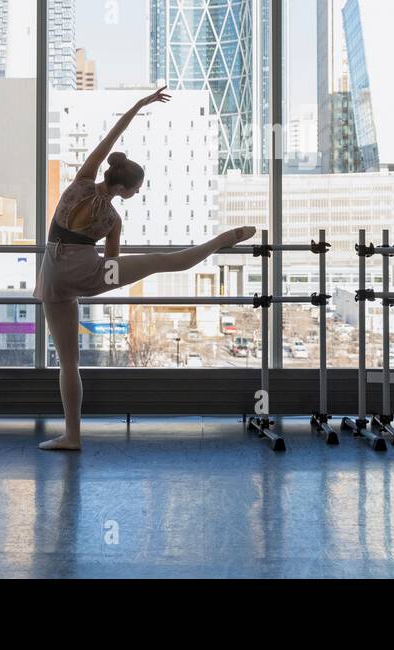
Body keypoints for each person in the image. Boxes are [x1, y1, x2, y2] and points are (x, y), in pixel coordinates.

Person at [34, 86, 256, 450]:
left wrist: (139, 105)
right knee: (161, 263)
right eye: (136, 190)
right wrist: (114, 275)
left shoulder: (81, 182)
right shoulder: (112, 219)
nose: (136, 195)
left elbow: (110, 138)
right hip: (85, 273)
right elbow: (111, 265)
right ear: (122, 187)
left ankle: (72, 435)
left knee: (67, 363)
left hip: (51, 272)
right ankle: (220, 241)